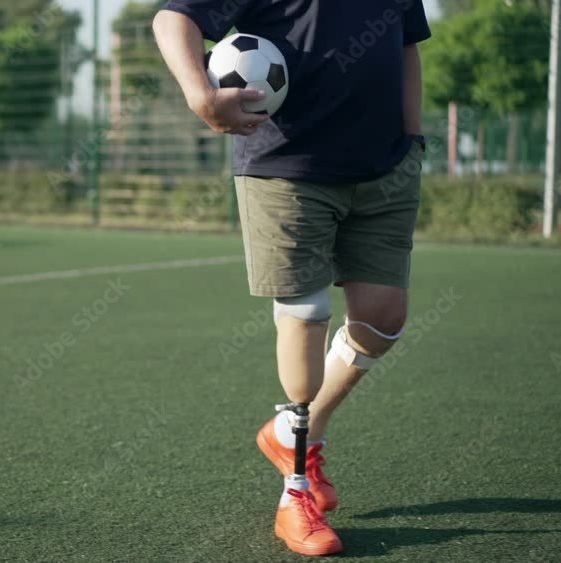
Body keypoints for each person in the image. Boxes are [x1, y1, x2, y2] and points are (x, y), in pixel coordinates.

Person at [153, 0, 431, 556]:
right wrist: (200, 95)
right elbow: (172, 18)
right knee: (307, 316)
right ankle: (294, 495)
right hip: (287, 166)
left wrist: (412, 139)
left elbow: (406, 48)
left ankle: (293, 435)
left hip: (385, 168)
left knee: (383, 318)